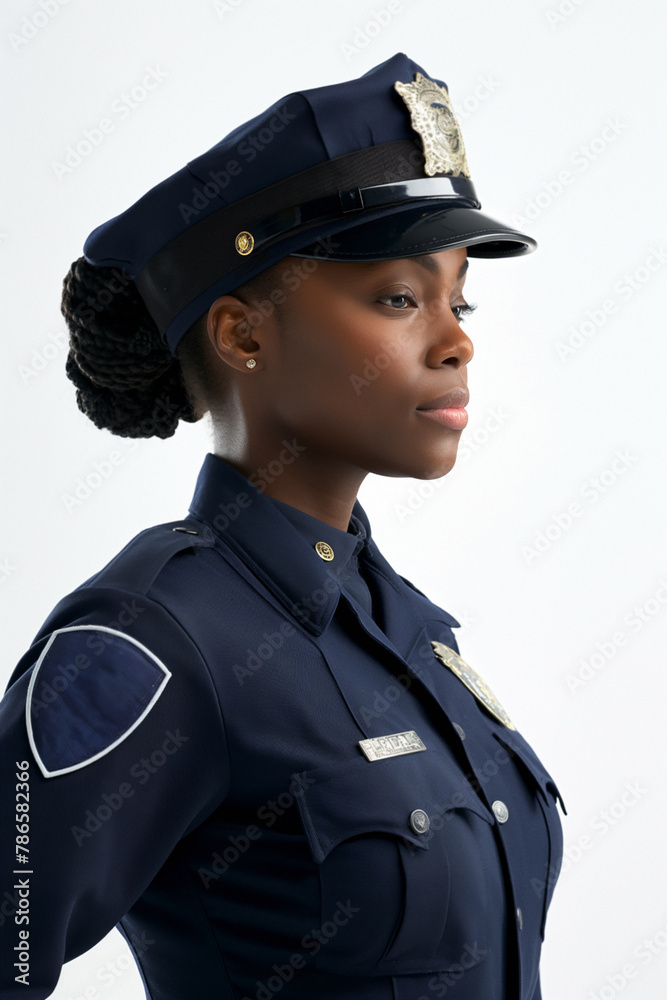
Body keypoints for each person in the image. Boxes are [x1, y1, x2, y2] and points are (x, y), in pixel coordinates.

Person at [0, 53, 564, 1000]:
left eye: (456, 298)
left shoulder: (404, 631)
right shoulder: (149, 642)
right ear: (243, 336)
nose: (457, 337)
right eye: (397, 296)